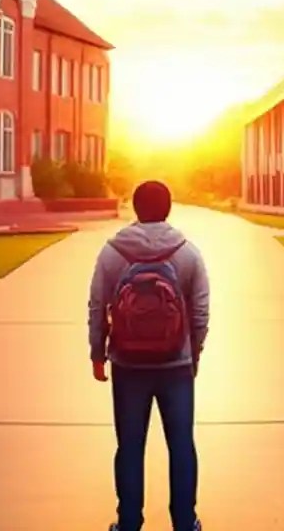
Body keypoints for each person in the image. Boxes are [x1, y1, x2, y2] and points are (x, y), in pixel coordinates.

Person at [88, 180, 210, 531]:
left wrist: (98, 353)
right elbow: (201, 311)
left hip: (128, 365)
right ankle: (185, 523)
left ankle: (128, 523)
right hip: (176, 366)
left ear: (136, 208)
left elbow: (98, 306)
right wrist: (194, 352)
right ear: (168, 208)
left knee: (129, 446)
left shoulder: (113, 253)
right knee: (182, 446)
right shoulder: (188, 252)